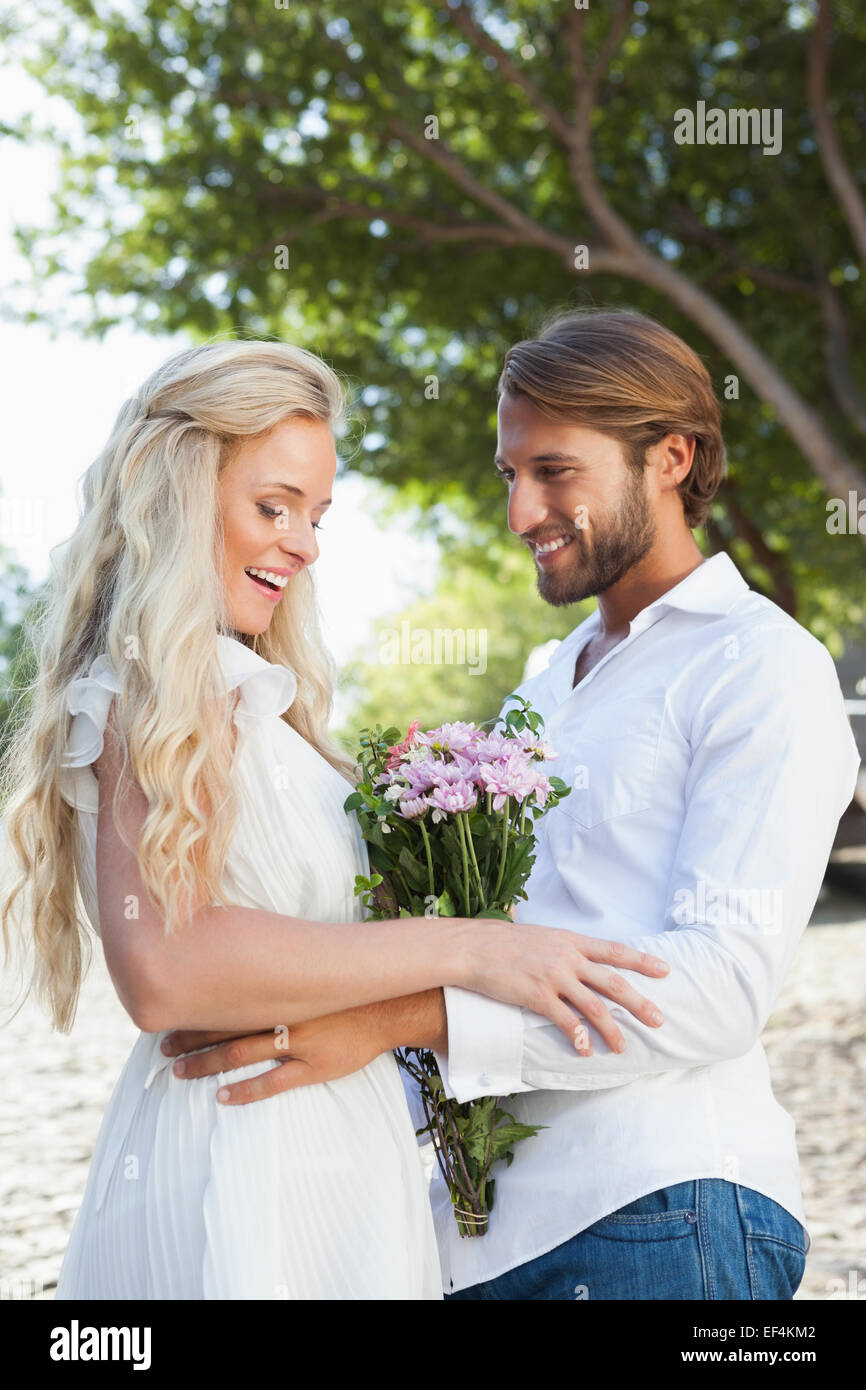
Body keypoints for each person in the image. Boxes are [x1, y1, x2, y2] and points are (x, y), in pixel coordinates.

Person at [162, 311, 861, 1300]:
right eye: (507, 475)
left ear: (669, 457)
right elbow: (493, 929)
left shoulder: (758, 666)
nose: (520, 510)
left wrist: (398, 1019)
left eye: (554, 471)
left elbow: (716, 989)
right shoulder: (549, 682)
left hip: (658, 1209)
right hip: (480, 1237)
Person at [0, 337, 669, 1300]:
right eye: (273, 507)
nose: (304, 544)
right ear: (181, 492)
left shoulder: (252, 696)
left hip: (328, 1154)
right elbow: (167, 968)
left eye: (315, 517)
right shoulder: (161, 683)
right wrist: (468, 948)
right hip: (243, 1158)